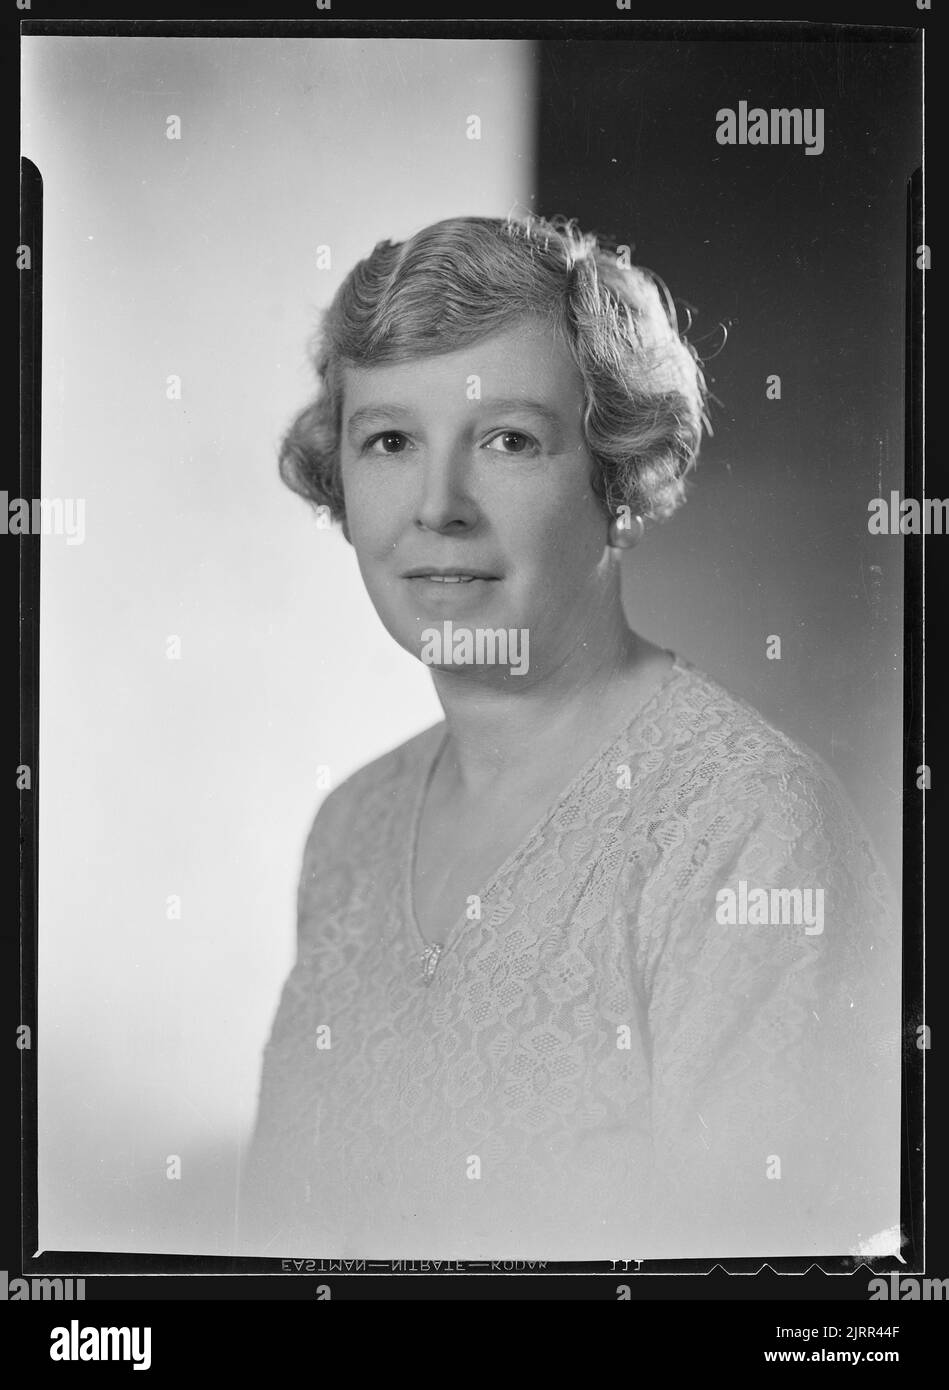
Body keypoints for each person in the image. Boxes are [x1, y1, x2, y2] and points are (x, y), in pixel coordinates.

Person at [238, 214, 899, 1260]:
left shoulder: (745, 823)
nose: (437, 507)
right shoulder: (350, 827)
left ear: (622, 483)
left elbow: (780, 1310)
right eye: (390, 441)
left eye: (508, 439)